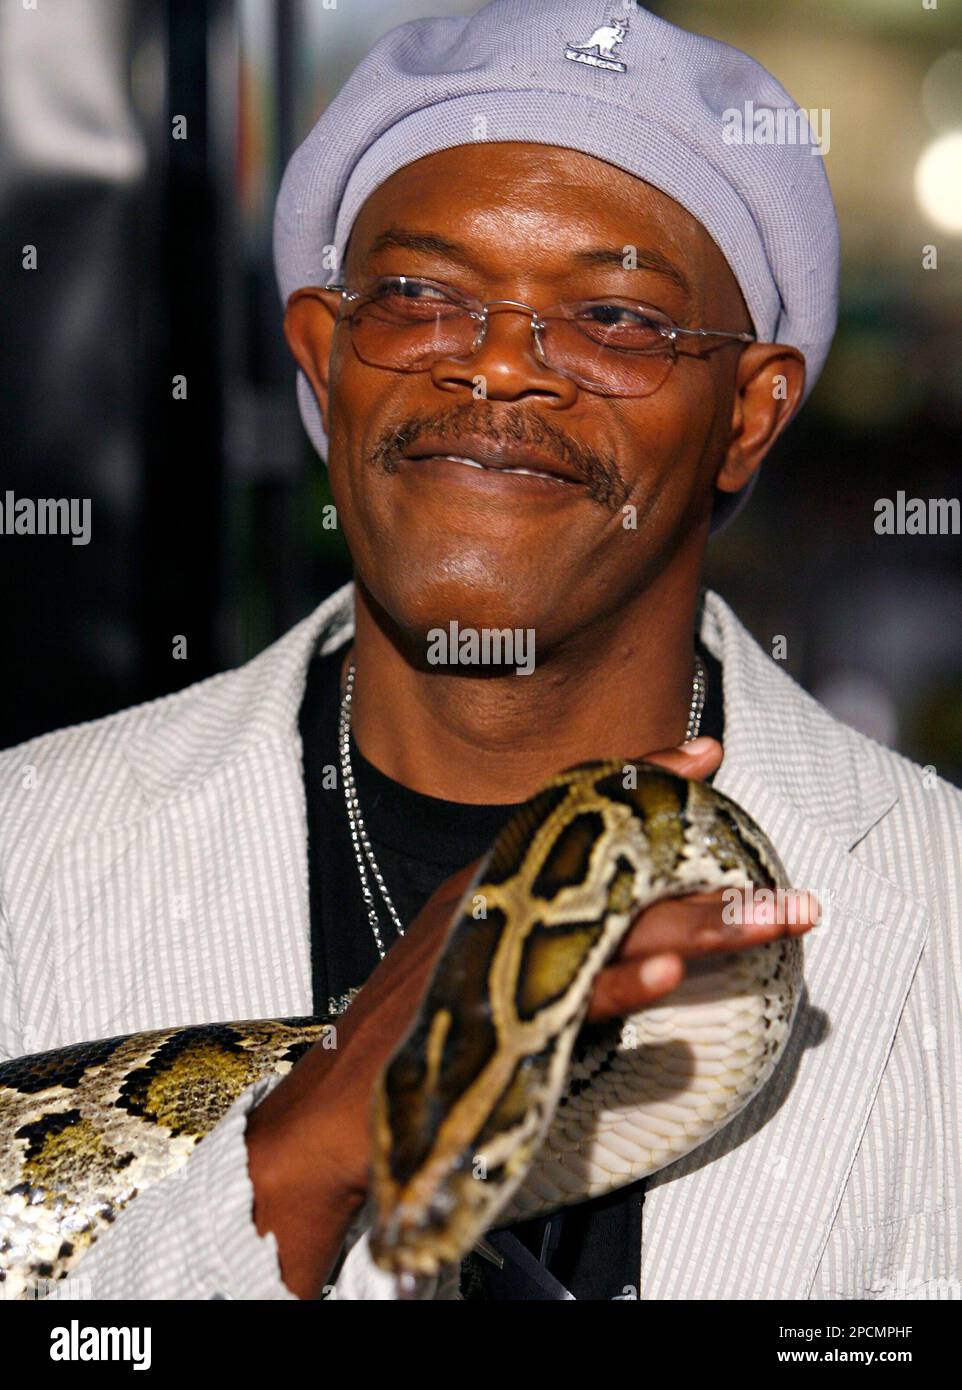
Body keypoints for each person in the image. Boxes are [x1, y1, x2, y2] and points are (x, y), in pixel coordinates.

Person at [0, 0, 958, 1302]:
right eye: (417, 295)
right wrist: (285, 1161)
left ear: (749, 414)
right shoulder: (28, 849)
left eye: (616, 319)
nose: (500, 367)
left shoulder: (939, 900)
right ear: (322, 355)